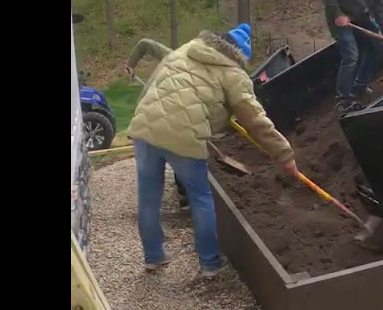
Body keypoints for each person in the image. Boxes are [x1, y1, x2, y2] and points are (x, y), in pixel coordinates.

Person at [125, 23, 299, 277]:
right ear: (239, 54)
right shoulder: (234, 74)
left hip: (144, 129)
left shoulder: (186, 50)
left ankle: (153, 257)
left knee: (149, 199)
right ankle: (210, 264)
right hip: (184, 135)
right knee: (201, 199)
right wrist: (285, 154)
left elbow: (152, 84)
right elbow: (255, 120)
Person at [124, 37, 190, 212]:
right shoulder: (177, 59)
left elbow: (145, 44)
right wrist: (130, 64)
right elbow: (145, 43)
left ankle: (181, 196)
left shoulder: (175, 57)